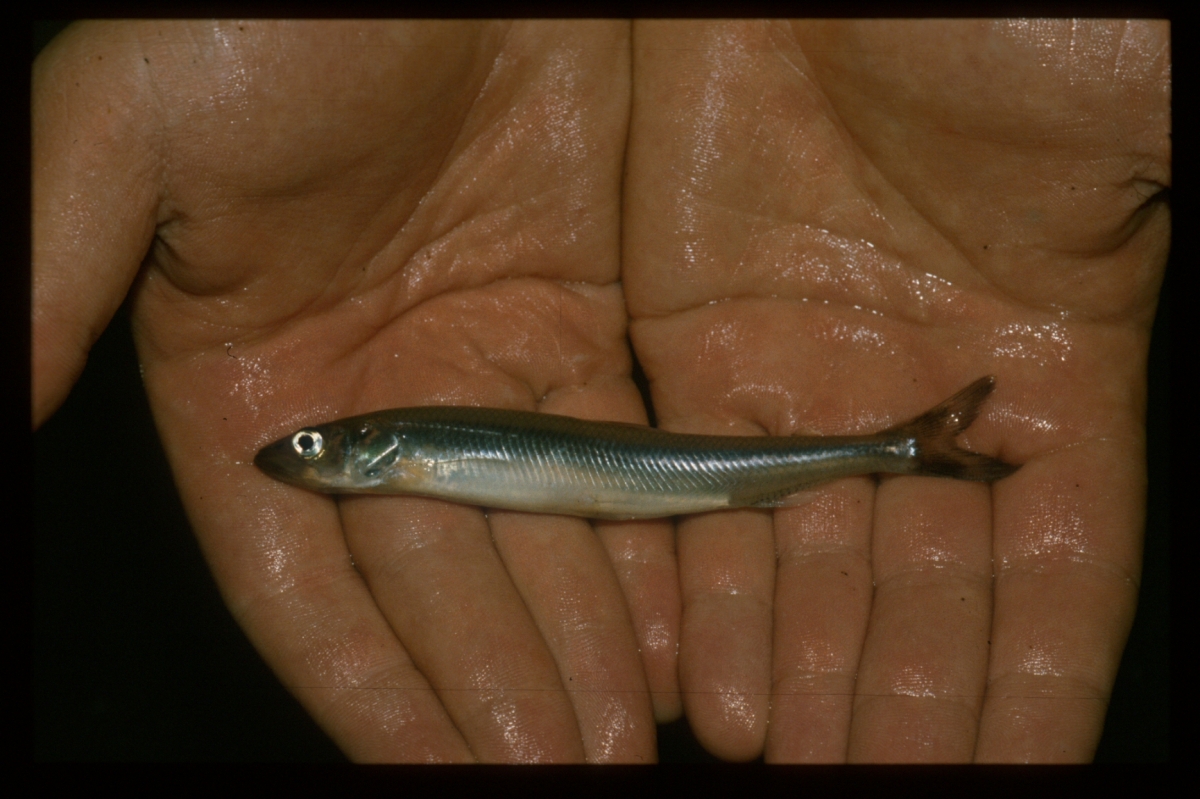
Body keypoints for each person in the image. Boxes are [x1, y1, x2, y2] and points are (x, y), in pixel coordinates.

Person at [33, 20, 1170, 762]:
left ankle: (906, 446)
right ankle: (901, 447)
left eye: (321, 447)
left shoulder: (405, 447)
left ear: (377, 444)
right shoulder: (405, 449)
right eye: (317, 451)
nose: (313, 457)